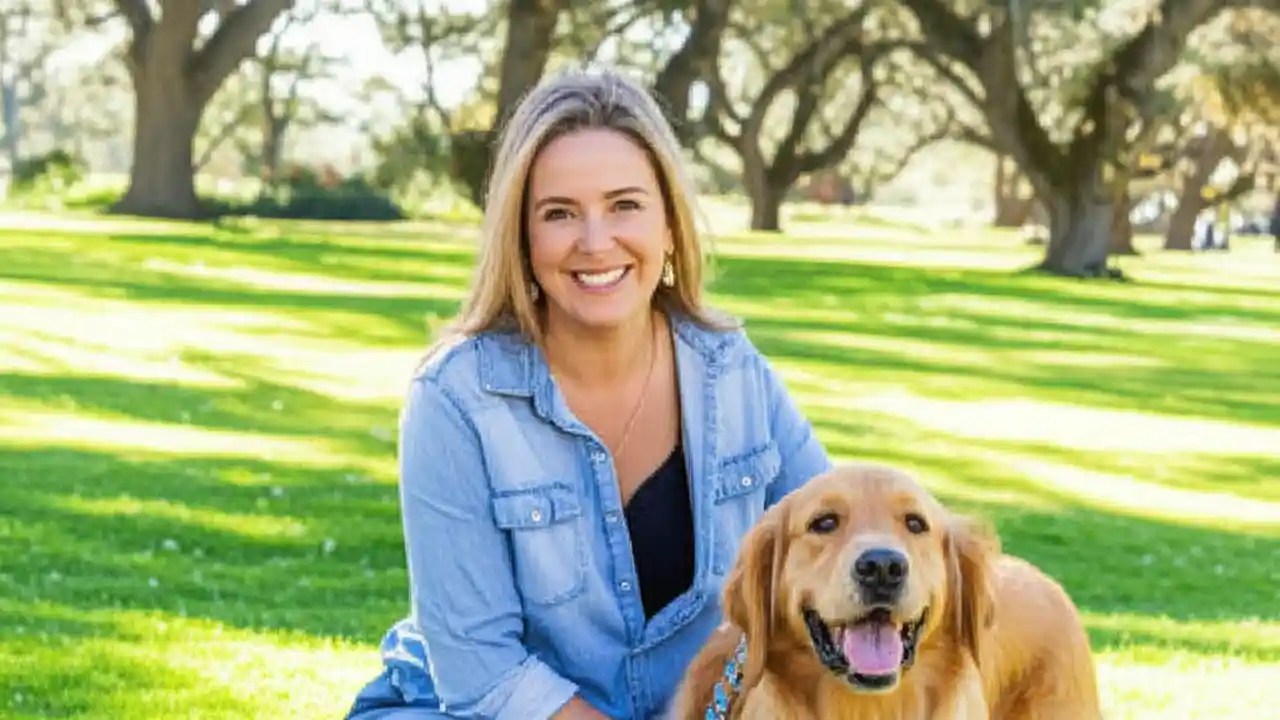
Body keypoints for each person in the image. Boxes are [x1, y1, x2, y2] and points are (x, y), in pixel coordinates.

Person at [344, 66, 831, 720]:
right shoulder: (455, 399)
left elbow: (838, 551)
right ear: (522, 238)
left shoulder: (734, 374)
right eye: (559, 213)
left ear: (669, 224)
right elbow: (482, 672)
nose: (596, 242)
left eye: (625, 205)